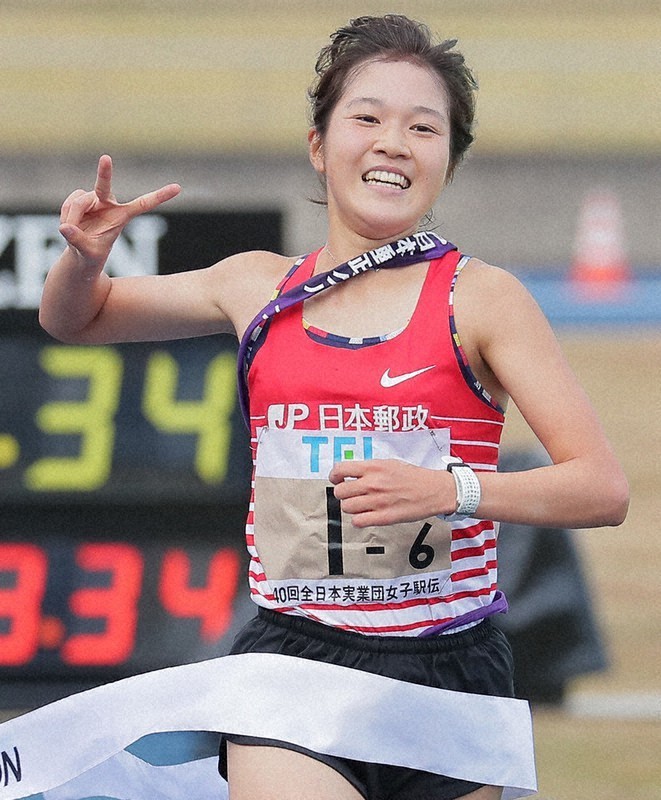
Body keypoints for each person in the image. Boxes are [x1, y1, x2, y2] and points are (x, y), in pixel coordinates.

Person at [39, 14, 628, 800]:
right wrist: (80, 261)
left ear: (445, 160)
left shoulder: (481, 299)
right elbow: (74, 319)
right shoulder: (254, 285)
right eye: (368, 117)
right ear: (319, 146)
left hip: (452, 674)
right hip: (293, 665)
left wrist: (452, 489)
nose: (393, 141)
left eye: (423, 127)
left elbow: (600, 488)